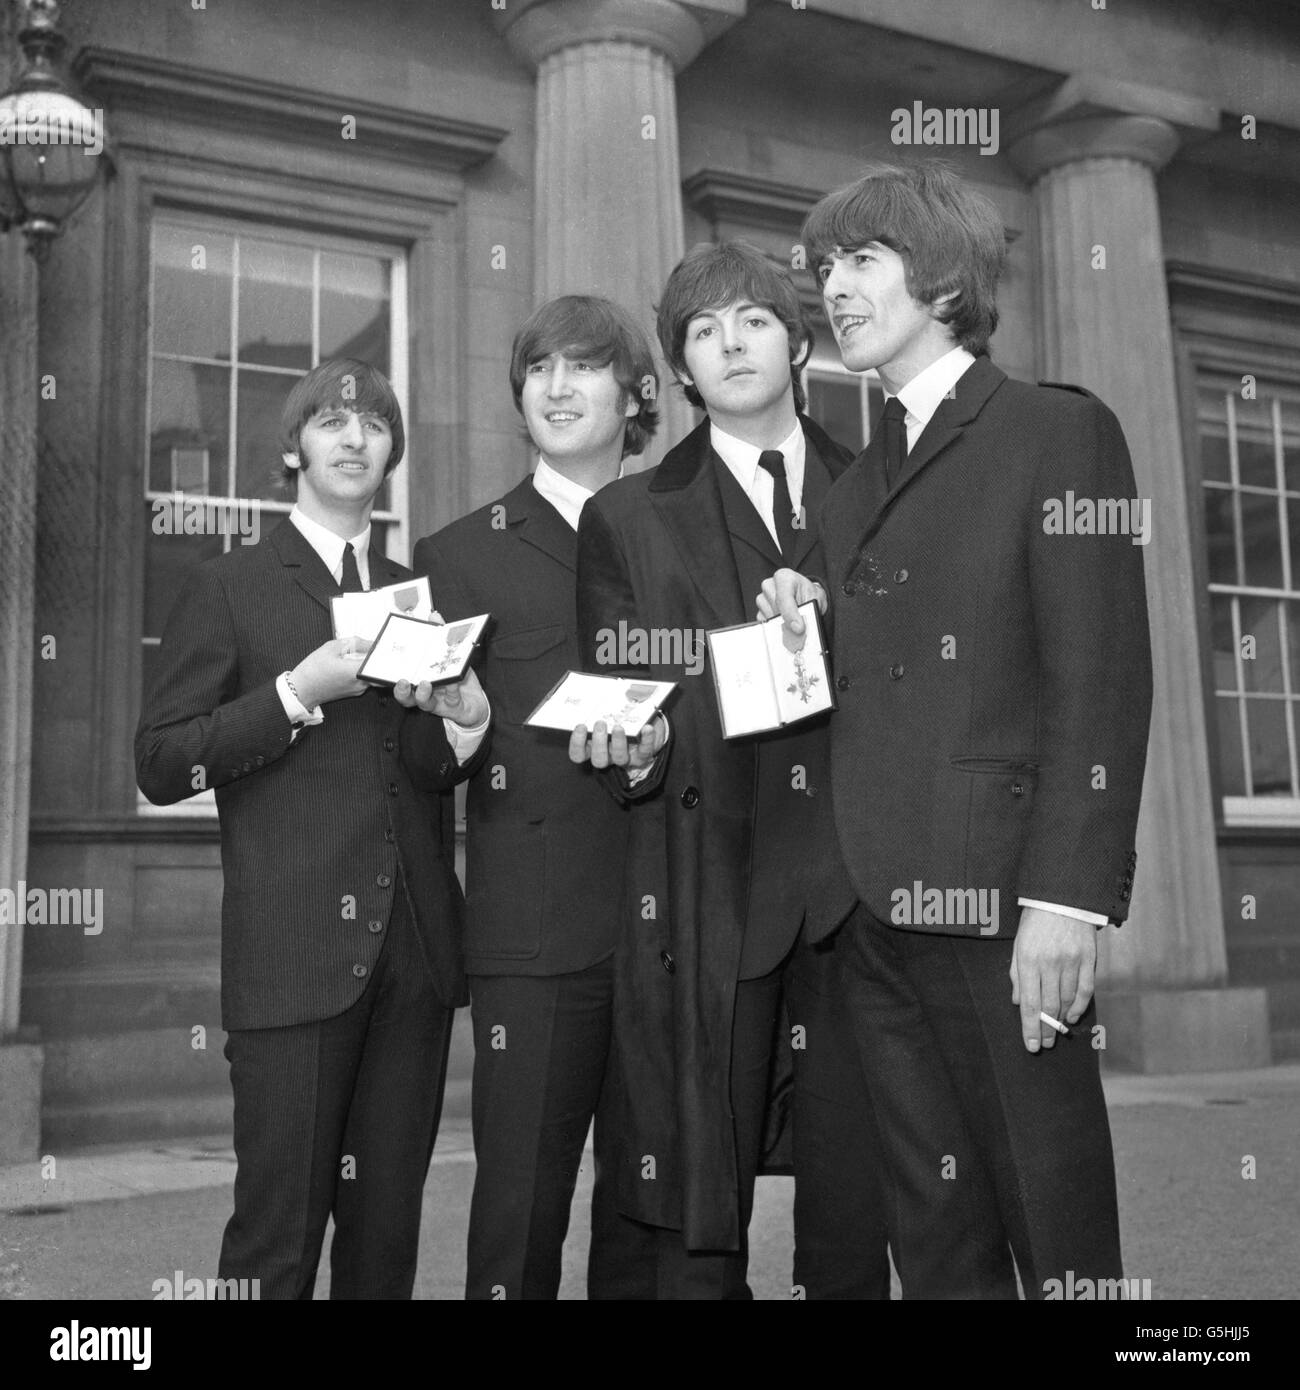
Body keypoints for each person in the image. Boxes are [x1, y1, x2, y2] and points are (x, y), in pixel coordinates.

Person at [761, 161, 1154, 1298]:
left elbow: (1102, 681)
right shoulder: (849, 485)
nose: (831, 285)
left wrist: (1066, 902)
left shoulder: (1053, 433)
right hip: (868, 913)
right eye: (824, 265)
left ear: (938, 278)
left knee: (1057, 1223)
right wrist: (796, 614)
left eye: (861, 259)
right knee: (935, 1240)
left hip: (1003, 905)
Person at [571, 240, 887, 1298]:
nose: (728, 343)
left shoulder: (884, 486)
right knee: (698, 1212)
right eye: (701, 332)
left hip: (866, 887)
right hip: (715, 888)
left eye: (751, 319)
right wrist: (637, 750)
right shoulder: (624, 516)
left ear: (798, 341)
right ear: (680, 370)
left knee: (863, 1196)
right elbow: (622, 703)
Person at [136, 358, 490, 1300]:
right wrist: (298, 692)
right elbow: (163, 763)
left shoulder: (420, 594)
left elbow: (416, 775)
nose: (354, 436)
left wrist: (465, 721)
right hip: (292, 963)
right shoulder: (229, 585)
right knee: (275, 1246)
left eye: (374, 423)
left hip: (411, 961)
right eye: (331, 421)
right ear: (293, 447)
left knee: (384, 1249)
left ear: (391, 454)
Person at [413, 295, 660, 1299]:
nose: (557, 387)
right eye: (539, 369)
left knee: (657, 1214)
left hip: (670, 929)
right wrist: (461, 727)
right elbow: (422, 765)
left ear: (633, 395)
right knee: (517, 1215)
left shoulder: (683, 541)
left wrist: (656, 755)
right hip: (531, 939)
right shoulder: (457, 554)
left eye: (584, 367)